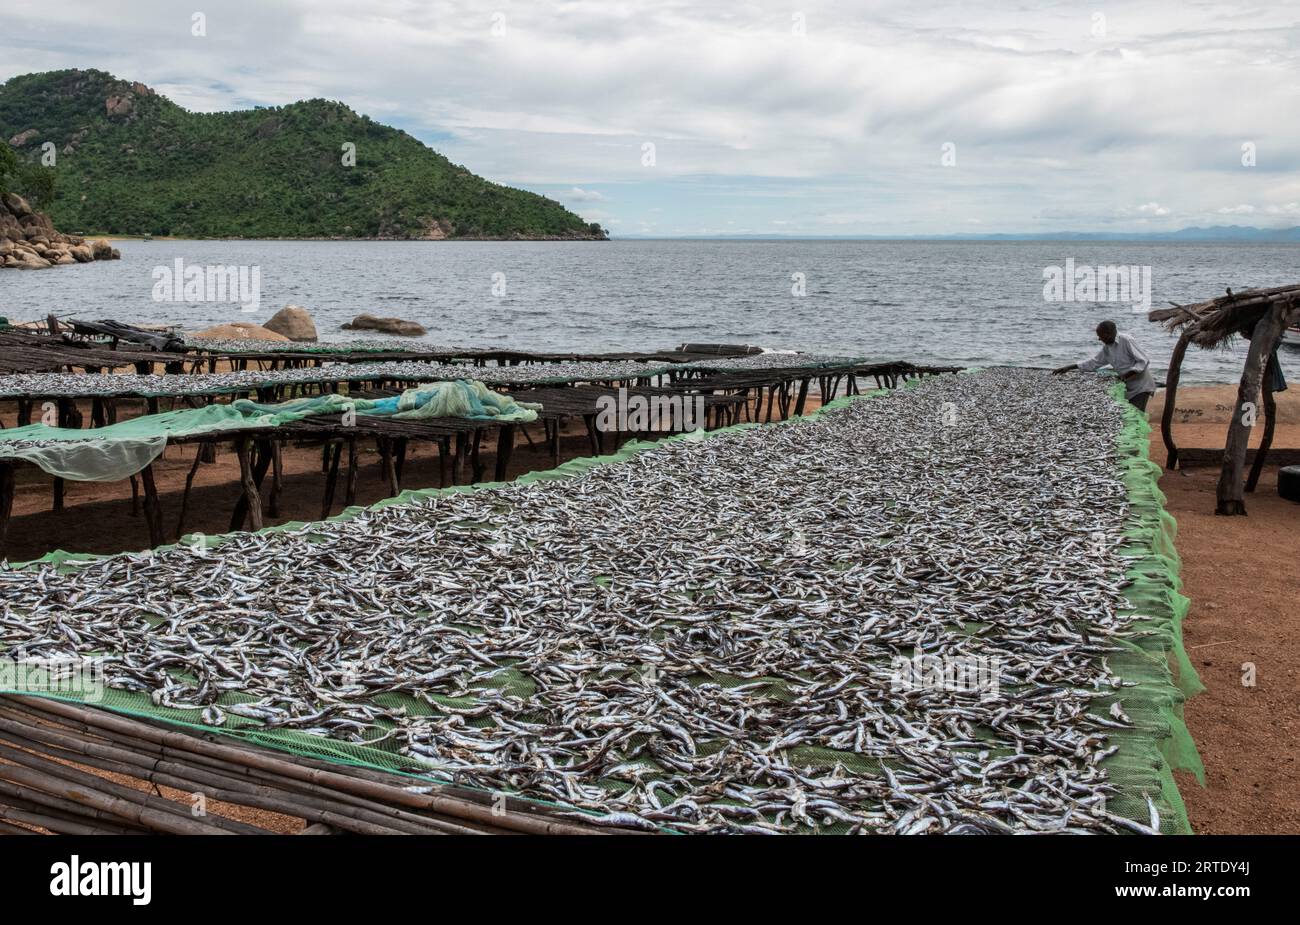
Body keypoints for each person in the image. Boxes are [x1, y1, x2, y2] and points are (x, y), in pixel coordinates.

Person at [1054, 320, 1157, 411]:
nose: (1099, 339)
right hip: (1127, 387)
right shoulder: (1107, 348)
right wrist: (1068, 367)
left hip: (1141, 387)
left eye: (1100, 336)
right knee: (1128, 415)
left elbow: (1143, 361)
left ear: (1108, 334)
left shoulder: (1126, 340)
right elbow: (1094, 362)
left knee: (1135, 416)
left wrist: (1126, 375)